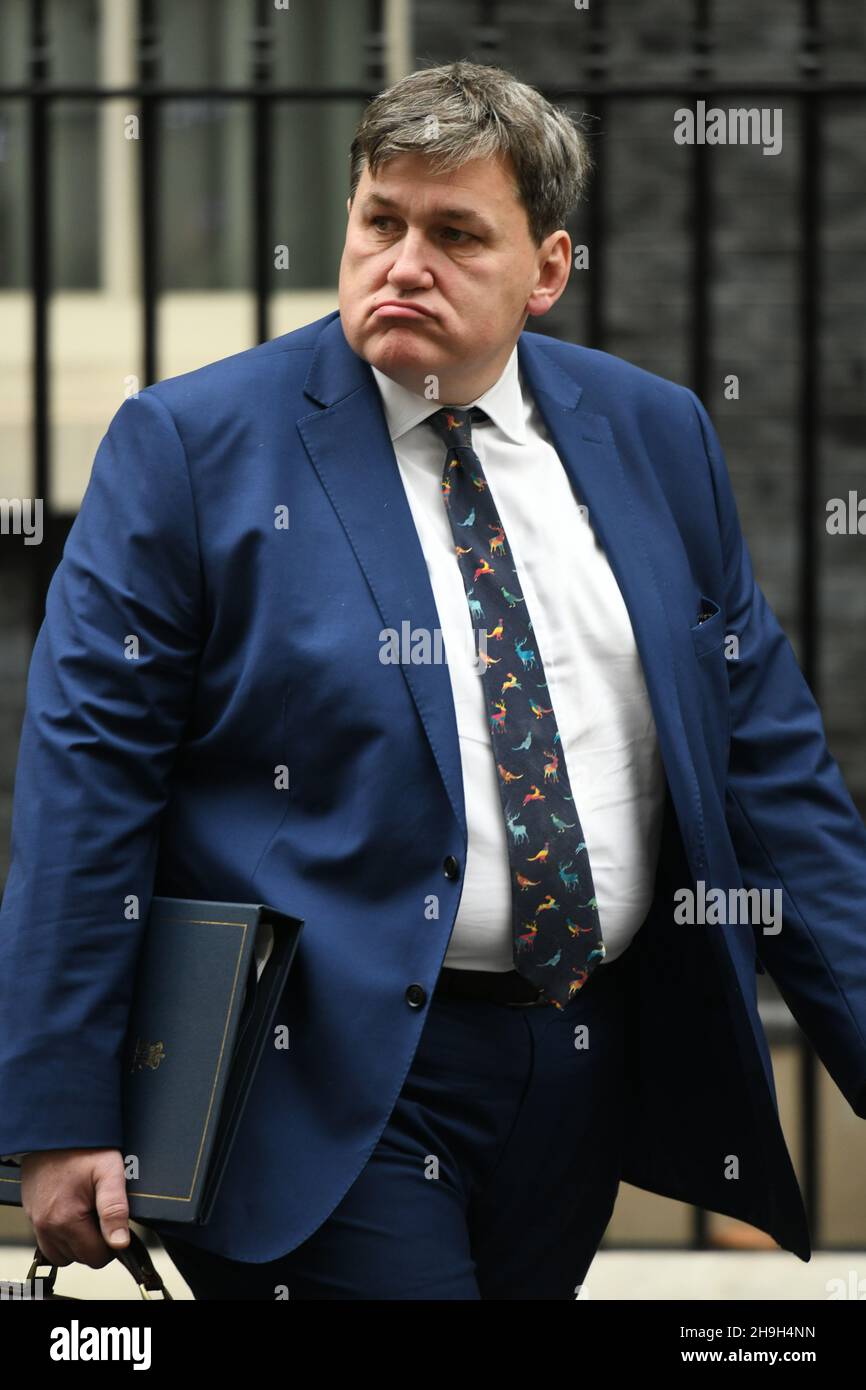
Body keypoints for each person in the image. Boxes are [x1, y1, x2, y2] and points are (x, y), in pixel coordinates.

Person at [2, 61, 865, 1301]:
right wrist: (60, 1104)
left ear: (548, 270)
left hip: (575, 1068)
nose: (404, 262)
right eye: (380, 221)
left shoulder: (653, 434)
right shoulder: (192, 448)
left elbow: (770, 771)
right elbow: (88, 787)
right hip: (314, 1082)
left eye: (456, 234)